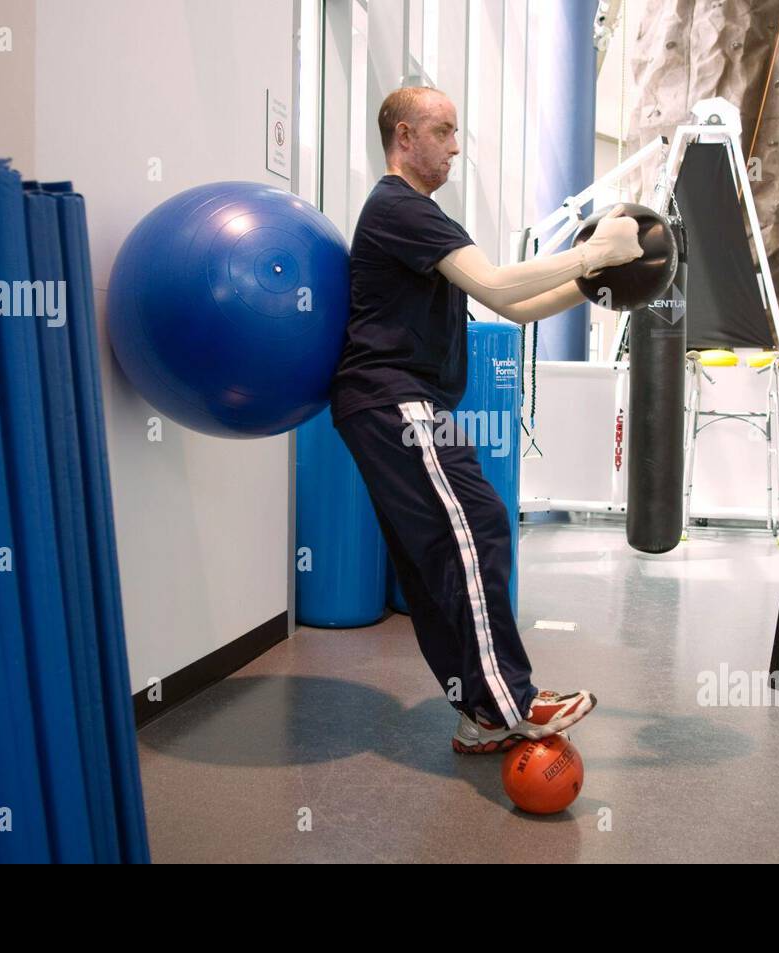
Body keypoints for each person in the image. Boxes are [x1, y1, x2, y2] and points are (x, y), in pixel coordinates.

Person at [331, 86, 642, 753]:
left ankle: (479, 711)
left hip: (388, 404)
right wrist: (592, 255)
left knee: (432, 561)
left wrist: (597, 281)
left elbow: (516, 308)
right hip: (394, 396)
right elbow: (500, 283)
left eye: (456, 132)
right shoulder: (400, 207)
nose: (454, 145)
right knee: (478, 523)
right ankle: (512, 700)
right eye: (443, 131)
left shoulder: (415, 219)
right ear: (405, 137)